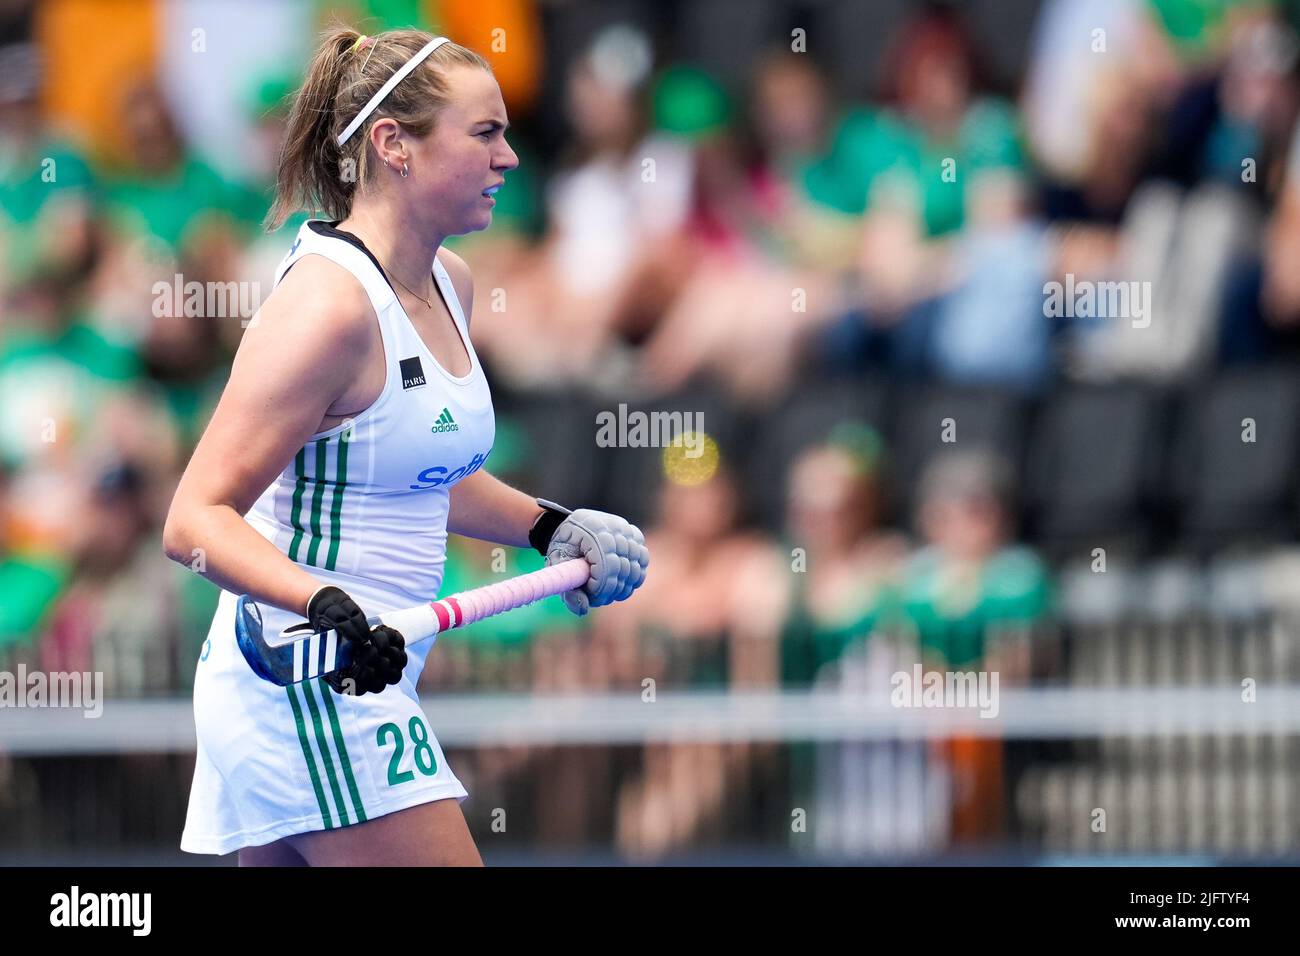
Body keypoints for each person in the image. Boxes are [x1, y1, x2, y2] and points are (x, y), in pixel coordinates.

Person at [162, 27, 649, 866]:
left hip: (363, 668)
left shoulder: (451, 282)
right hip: (309, 676)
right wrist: (324, 605)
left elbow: (414, 469)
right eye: (484, 133)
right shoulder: (327, 310)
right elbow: (194, 521)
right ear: (394, 146)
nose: (511, 159)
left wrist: (550, 527)